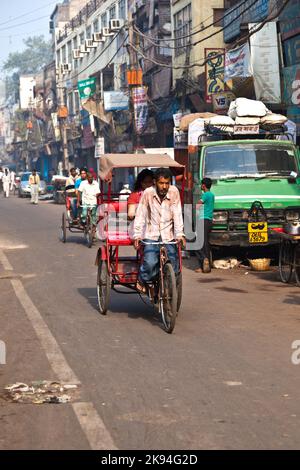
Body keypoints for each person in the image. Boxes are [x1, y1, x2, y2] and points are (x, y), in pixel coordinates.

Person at [133, 168, 185, 293]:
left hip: (168, 235)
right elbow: (140, 215)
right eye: (161, 183)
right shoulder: (148, 193)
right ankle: (142, 280)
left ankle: (170, 289)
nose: (164, 186)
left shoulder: (174, 192)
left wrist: (180, 234)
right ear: (155, 182)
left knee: (175, 264)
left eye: (167, 183)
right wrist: (137, 235)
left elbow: (177, 214)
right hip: (151, 234)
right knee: (150, 262)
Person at [195, 178, 215, 274]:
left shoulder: (205, 195)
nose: (201, 186)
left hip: (203, 219)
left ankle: (203, 263)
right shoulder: (212, 195)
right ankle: (206, 263)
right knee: (205, 242)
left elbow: (198, 205)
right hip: (209, 220)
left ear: (203, 185)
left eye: (201, 184)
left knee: (199, 243)